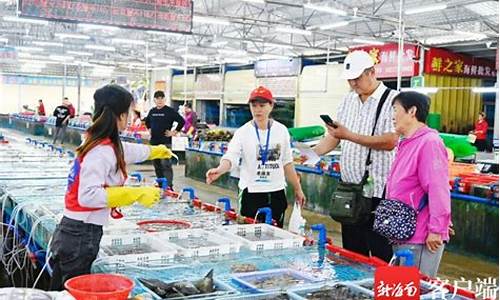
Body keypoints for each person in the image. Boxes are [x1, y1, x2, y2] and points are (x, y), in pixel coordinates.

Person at [49, 85, 174, 290]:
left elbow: (125, 151)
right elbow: (87, 196)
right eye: (129, 113)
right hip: (80, 235)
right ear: (121, 115)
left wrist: (153, 151)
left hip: (76, 233)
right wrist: (133, 193)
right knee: (71, 293)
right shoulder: (100, 150)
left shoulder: (101, 141)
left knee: (64, 291)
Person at [312, 51, 399, 262]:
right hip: (350, 191)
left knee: (381, 252)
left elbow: (390, 141)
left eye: (357, 78)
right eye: (349, 79)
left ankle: (382, 293)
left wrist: (348, 135)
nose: (353, 83)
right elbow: (335, 137)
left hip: (379, 193)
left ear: (372, 72)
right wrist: (310, 155)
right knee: (353, 252)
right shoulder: (347, 100)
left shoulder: (393, 100)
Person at [205, 86, 305, 228]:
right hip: (251, 192)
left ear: (271, 106)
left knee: (275, 234)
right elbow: (231, 157)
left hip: (276, 191)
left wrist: (297, 188)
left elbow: (287, 162)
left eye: (262, 105)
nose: (258, 109)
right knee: (249, 234)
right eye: (254, 105)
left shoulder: (281, 130)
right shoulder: (243, 132)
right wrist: (220, 169)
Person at [385, 91, 451, 277]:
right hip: (404, 230)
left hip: (420, 236)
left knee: (416, 288)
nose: (392, 116)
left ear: (412, 111)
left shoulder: (429, 142)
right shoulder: (407, 143)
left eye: (396, 109)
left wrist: (437, 229)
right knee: (401, 288)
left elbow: (438, 189)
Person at [144, 91, 185, 188]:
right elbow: (147, 122)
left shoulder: (169, 111)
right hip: (154, 142)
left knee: (165, 164)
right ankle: (160, 183)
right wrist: (149, 129)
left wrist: (174, 132)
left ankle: (168, 185)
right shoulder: (152, 111)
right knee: (157, 164)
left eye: (161, 98)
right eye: (157, 98)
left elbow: (181, 121)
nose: (159, 100)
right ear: (154, 100)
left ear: (164, 99)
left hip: (165, 143)